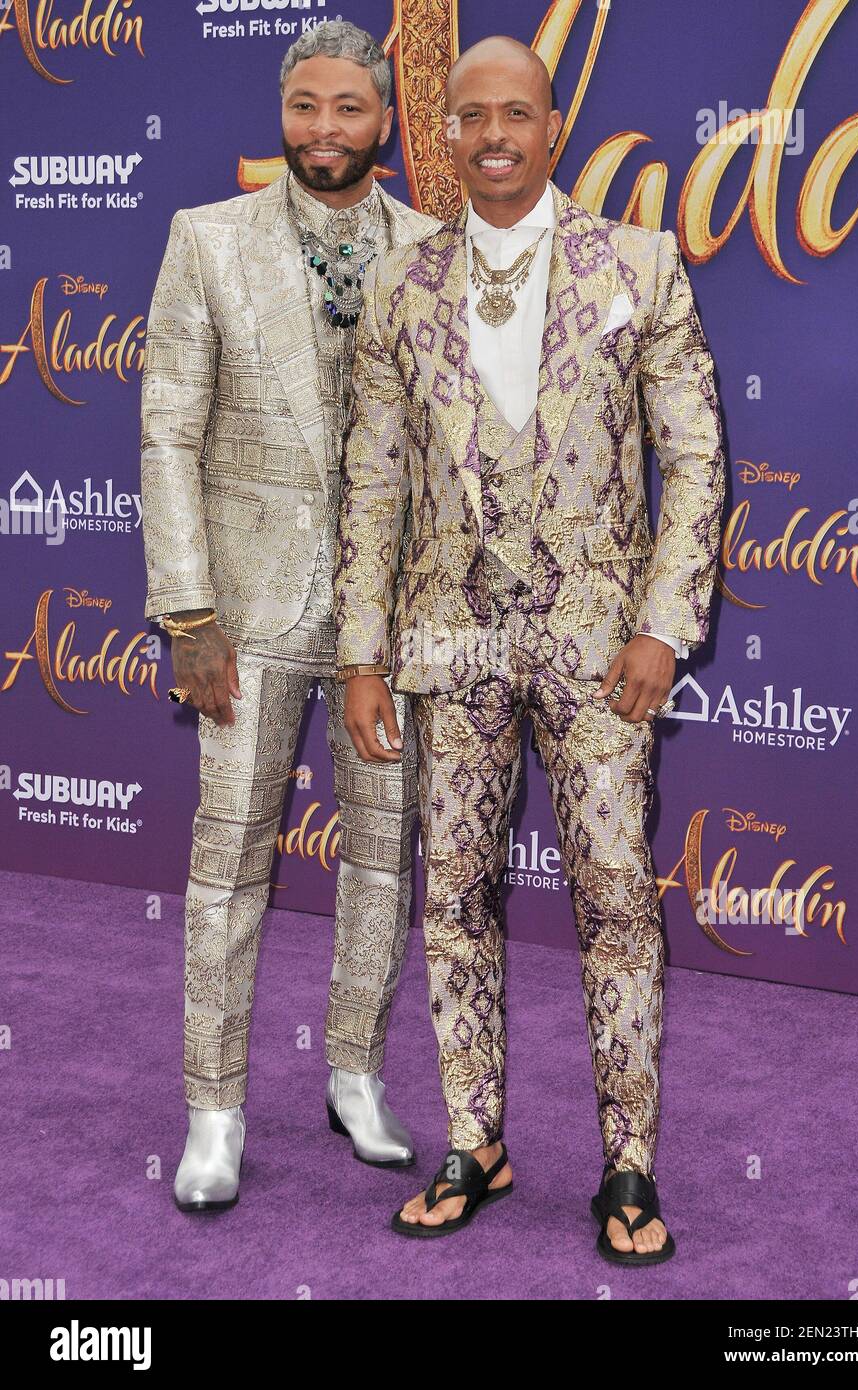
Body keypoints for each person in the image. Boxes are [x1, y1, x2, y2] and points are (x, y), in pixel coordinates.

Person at [334, 35, 725, 1261]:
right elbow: (372, 484)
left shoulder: (641, 264)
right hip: (448, 642)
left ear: (553, 127)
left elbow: (697, 459)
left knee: (613, 900)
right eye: (470, 118)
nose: (493, 135)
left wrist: (666, 622)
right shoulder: (401, 284)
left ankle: (626, 1166)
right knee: (452, 899)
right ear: (443, 134)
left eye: (517, 114)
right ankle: (477, 1140)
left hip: (603, 645)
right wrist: (359, 651)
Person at [139, 19, 439, 1213]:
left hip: (390, 625)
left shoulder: (434, 248)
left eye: (349, 109)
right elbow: (166, 430)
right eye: (306, 106)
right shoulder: (205, 241)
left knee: (381, 862)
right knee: (226, 870)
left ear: (383, 120)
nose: (325, 129)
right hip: (247, 614)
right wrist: (186, 608)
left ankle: (356, 1072)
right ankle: (213, 1106)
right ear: (283, 110)